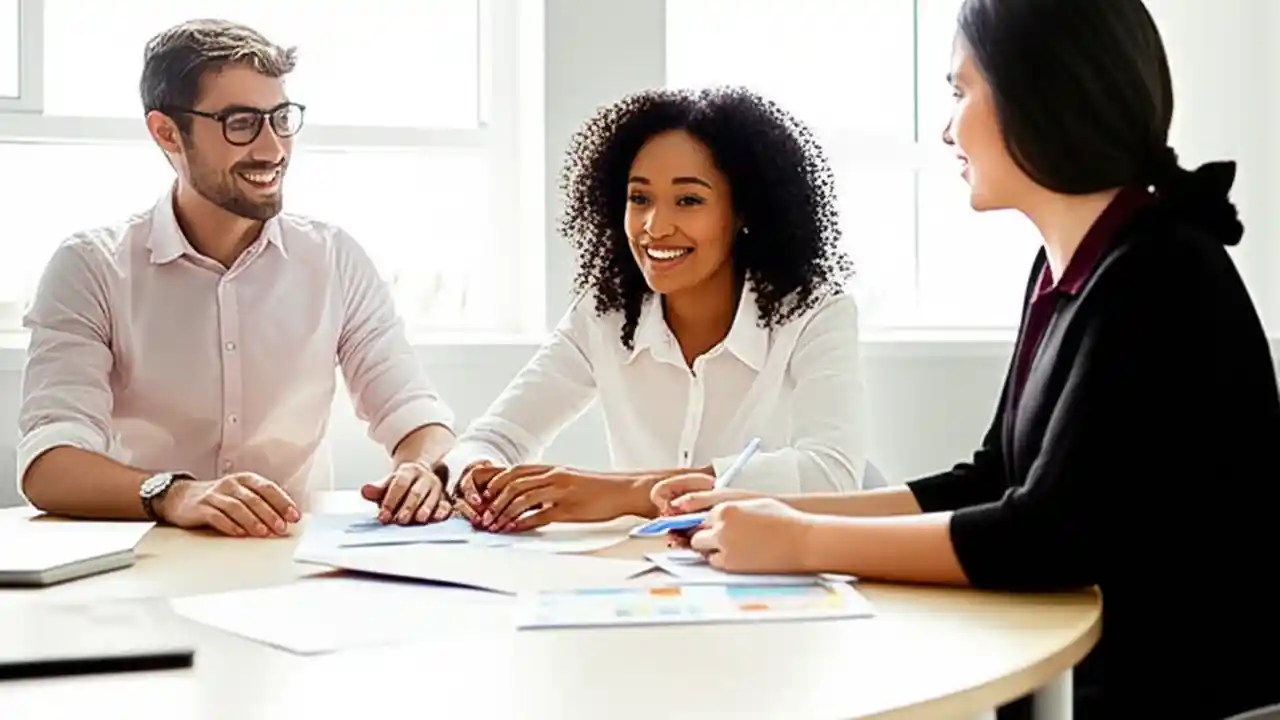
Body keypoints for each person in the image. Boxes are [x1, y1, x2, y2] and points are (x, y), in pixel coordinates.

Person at [650, 1, 1280, 718]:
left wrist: (800, 540)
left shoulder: (1160, 275)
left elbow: (1046, 537)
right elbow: (992, 481)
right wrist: (775, 509)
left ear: (1038, 91)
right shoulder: (1070, 268)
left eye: (958, 90)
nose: (947, 128)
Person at [17, 19, 457, 537]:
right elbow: (49, 462)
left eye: (280, 118)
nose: (273, 149)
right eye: (241, 123)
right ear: (166, 133)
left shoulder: (333, 258)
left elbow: (412, 411)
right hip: (147, 553)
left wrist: (423, 469)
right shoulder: (91, 267)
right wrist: (176, 494)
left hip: (290, 559)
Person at [443, 86, 868, 533]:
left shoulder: (816, 313)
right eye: (640, 199)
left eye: (688, 201)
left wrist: (628, 493)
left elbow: (830, 476)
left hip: (779, 574)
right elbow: (491, 438)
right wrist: (479, 479)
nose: (655, 227)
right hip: (647, 577)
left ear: (743, 210)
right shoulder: (606, 314)